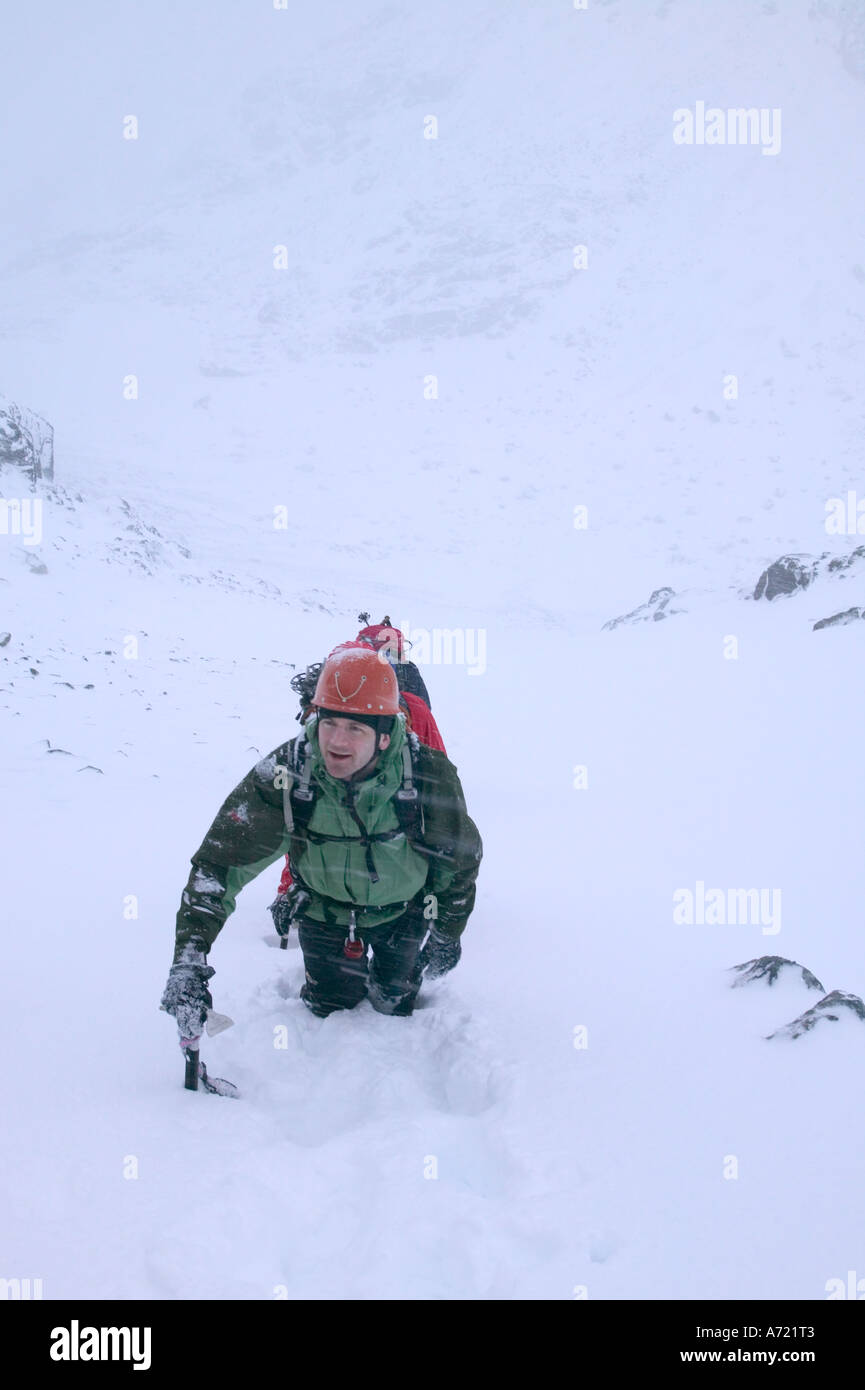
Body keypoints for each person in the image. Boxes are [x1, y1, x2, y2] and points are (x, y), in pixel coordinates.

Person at [160, 646, 481, 1038]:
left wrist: (447, 934)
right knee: (329, 1009)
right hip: (323, 915)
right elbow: (220, 865)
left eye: (355, 729)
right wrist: (189, 960)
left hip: (402, 915)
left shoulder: (429, 774)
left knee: (393, 1004)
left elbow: (460, 864)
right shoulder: (289, 772)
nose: (336, 742)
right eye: (329, 723)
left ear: (384, 737)